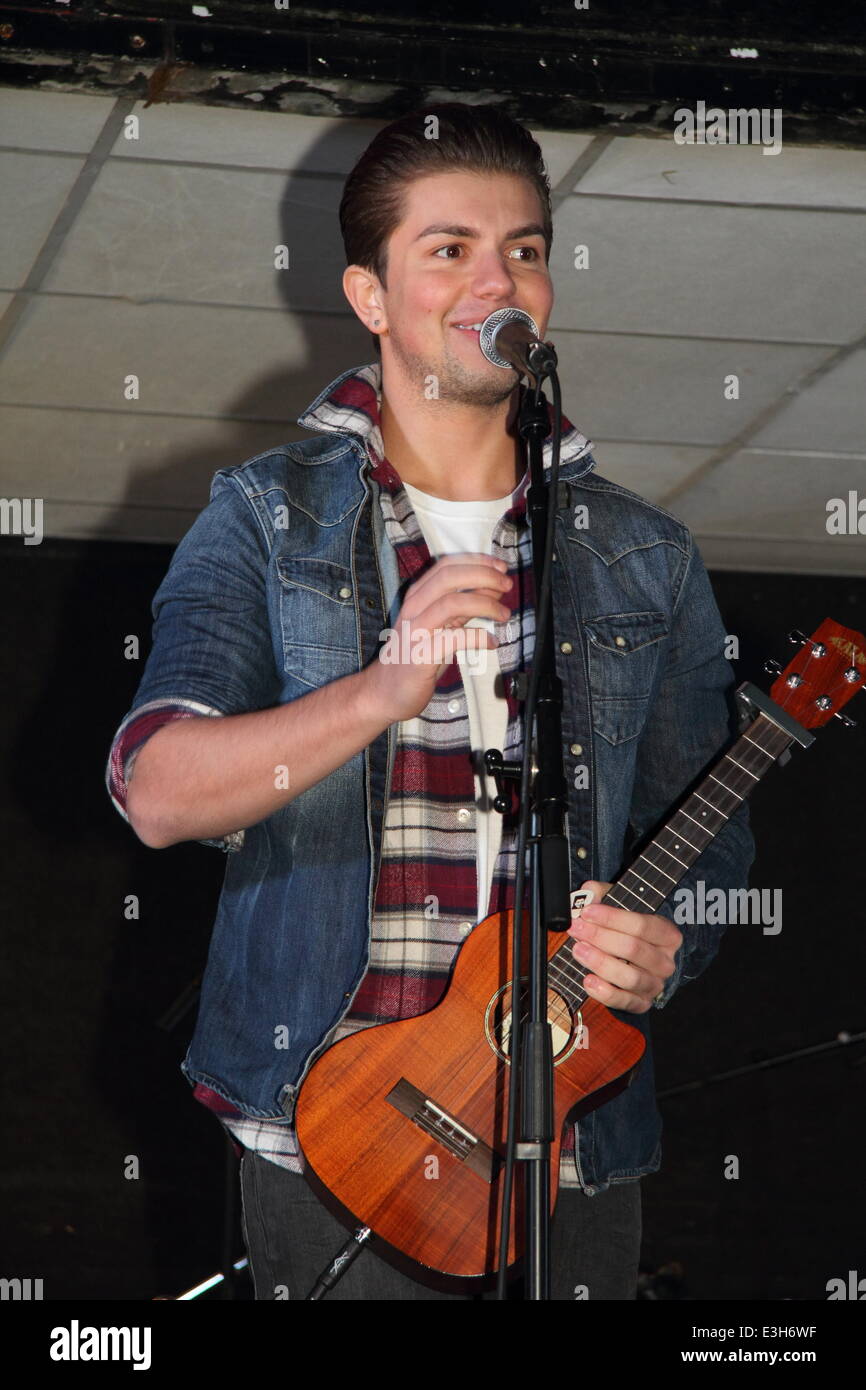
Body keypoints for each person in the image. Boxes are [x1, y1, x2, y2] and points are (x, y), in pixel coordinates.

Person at [106, 103, 755, 1300]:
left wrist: (669, 948)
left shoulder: (641, 554)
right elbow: (158, 791)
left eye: (522, 248)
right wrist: (381, 688)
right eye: (447, 248)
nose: (494, 278)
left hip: (567, 1147)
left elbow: (711, 847)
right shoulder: (266, 513)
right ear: (368, 296)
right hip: (333, 1131)